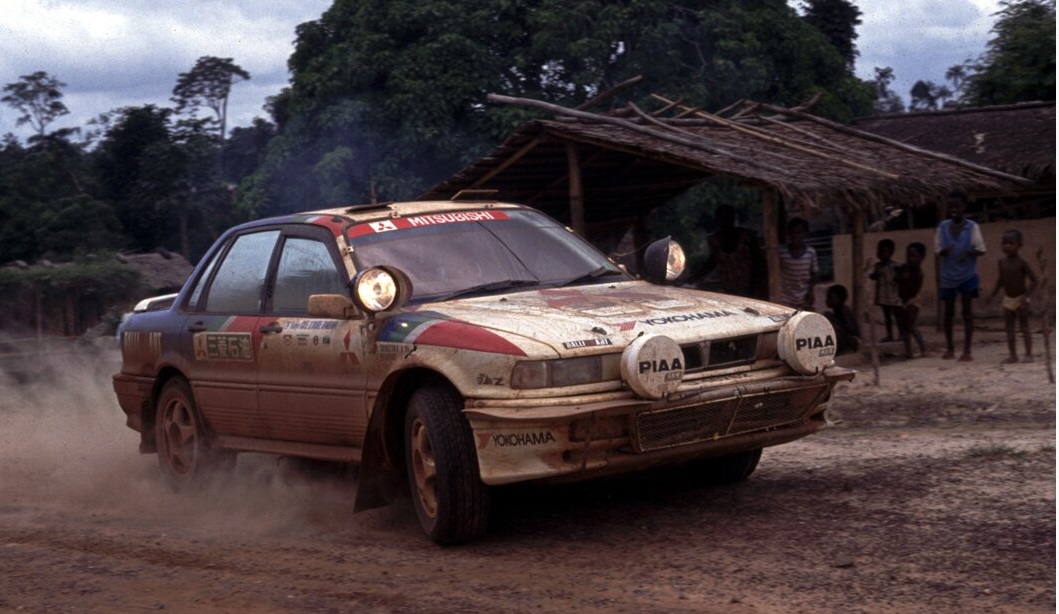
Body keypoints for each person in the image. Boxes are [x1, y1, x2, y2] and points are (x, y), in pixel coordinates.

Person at [934, 192, 986, 361]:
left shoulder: (972, 227)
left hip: (967, 275)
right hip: (948, 276)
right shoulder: (942, 227)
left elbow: (981, 249)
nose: (954, 210)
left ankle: (967, 351)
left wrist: (968, 252)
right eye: (951, 207)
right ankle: (950, 349)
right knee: (948, 313)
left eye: (957, 206)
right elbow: (937, 249)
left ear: (964, 207)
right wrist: (944, 251)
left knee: (967, 312)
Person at [987, 229, 1039, 364]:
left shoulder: (1022, 262)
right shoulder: (1001, 262)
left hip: (1021, 299)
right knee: (1009, 329)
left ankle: (1028, 354)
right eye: (1004, 243)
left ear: (1019, 245)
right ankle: (1013, 355)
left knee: (1024, 327)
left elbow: (1034, 280)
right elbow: (1001, 280)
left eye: (1011, 243)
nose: (1007, 246)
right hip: (1008, 299)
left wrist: (1026, 296)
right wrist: (992, 294)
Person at [700, 205, 768, 299]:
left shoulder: (747, 238)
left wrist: (754, 290)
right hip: (729, 291)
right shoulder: (716, 242)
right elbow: (710, 264)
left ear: (733, 219)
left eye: (728, 219)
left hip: (751, 290)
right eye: (722, 219)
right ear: (718, 221)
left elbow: (758, 265)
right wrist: (692, 280)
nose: (725, 223)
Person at [895, 242, 929, 359]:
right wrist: (900, 277)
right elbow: (896, 278)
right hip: (902, 300)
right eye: (908, 255)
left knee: (911, 325)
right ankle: (908, 351)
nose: (910, 259)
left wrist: (906, 280)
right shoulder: (904, 267)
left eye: (914, 256)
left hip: (913, 300)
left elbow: (914, 290)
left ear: (921, 258)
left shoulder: (918, 272)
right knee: (904, 327)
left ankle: (923, 348)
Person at [777, 217, 817, 310]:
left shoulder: (811, 252)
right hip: (785, 297)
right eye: (792, 233)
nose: (795, 235)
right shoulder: (782, 252)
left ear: (805, 234)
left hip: (804, 296)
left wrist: (810, 292)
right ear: (789, 234)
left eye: (799, 232)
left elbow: (814, 274)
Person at [868, 238, 900, 342]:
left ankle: (901, 334)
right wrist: (872, 275)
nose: (881, 254)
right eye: (879, 251)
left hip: (893, 295)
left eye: (884, 251)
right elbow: (874, 276)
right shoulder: (878, 266)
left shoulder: (895, 266)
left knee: (897, 316)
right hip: (883, 295)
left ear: (891, 252)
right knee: (887, 317)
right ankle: (890, 335)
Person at [824, 284, 860, 355]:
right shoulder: (836, 311)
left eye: (830, 297)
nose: (827, 299)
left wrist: (836, 323)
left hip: (852, 341)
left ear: (840, 299)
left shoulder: (844, 310)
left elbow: (851, 329)